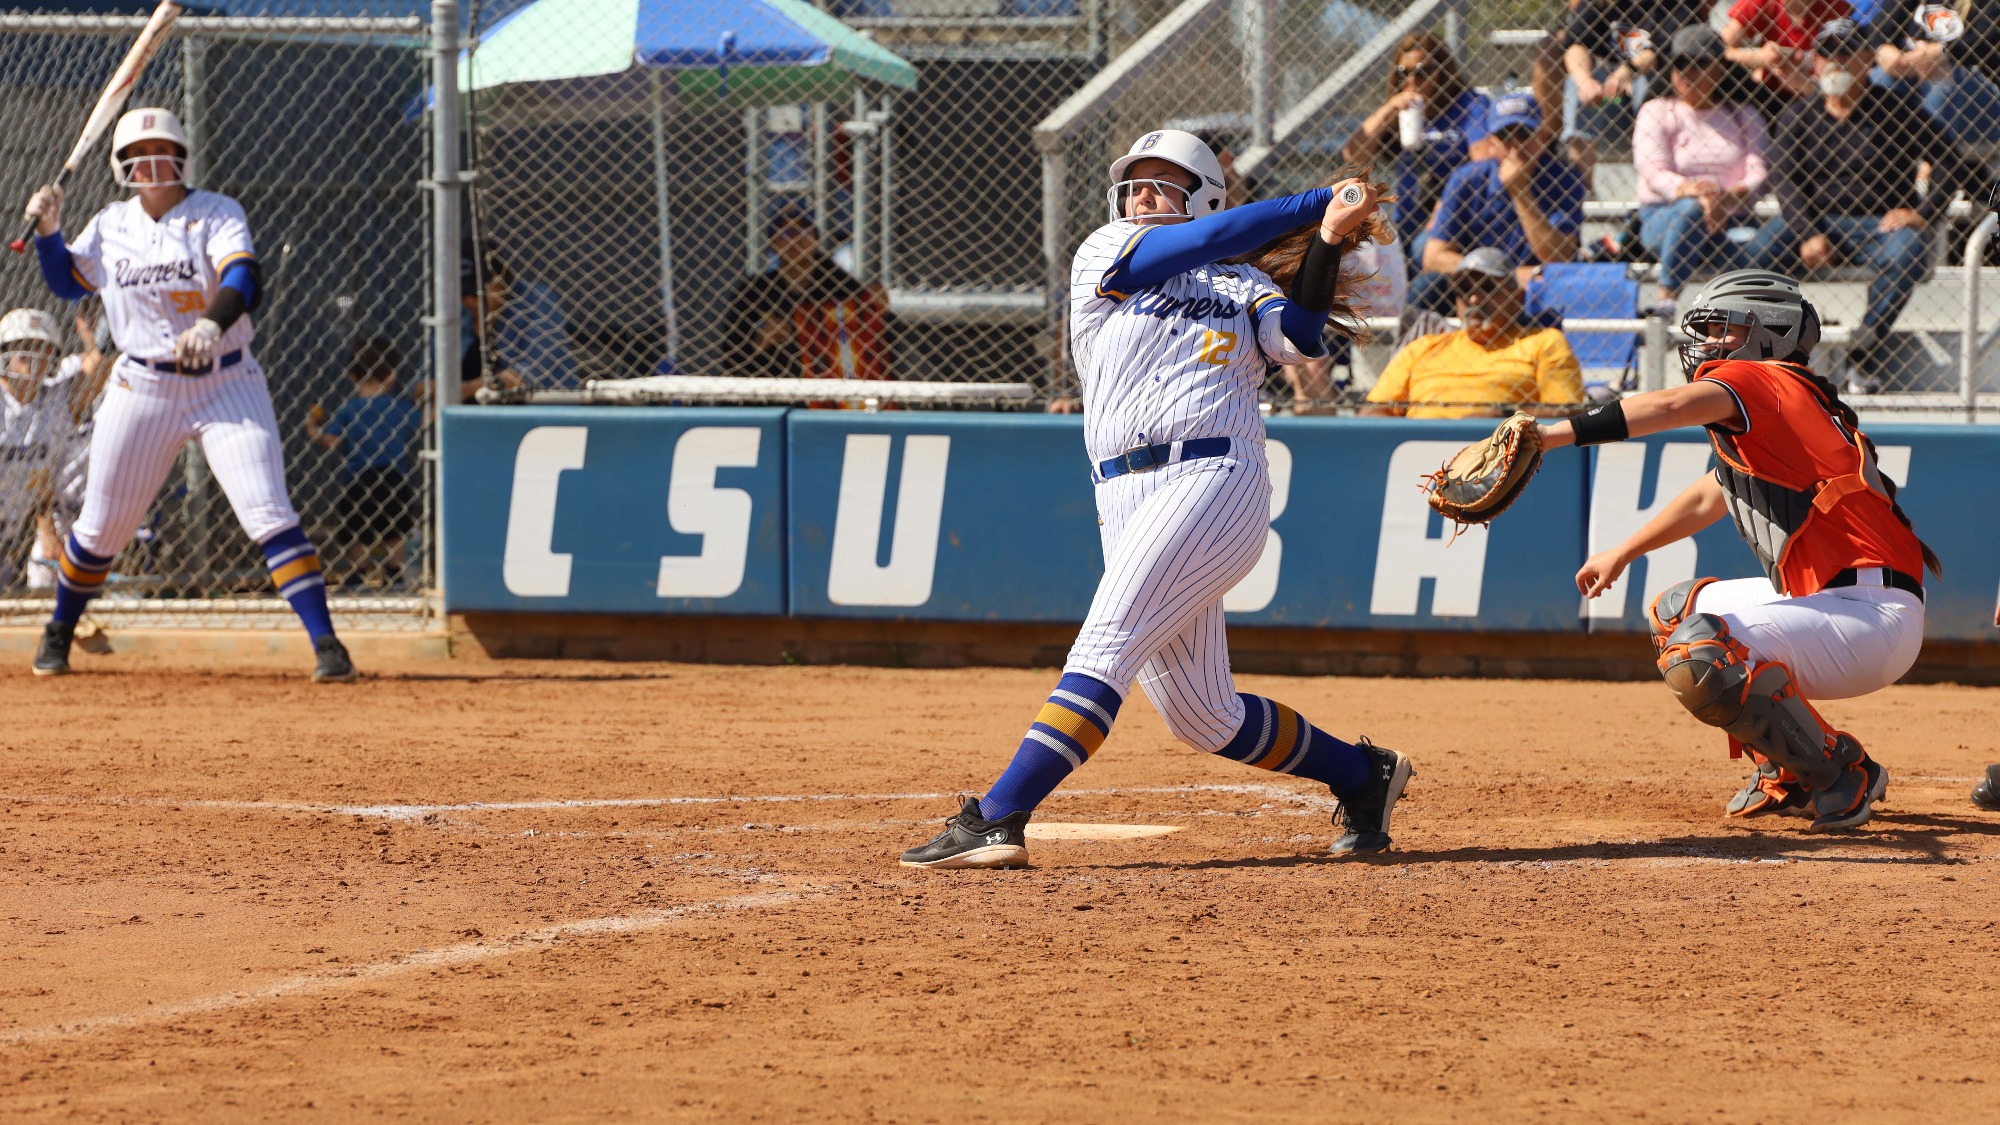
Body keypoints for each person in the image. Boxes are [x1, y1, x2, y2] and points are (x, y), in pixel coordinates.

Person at [898, 130, 1414, 868]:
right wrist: (1309, 201)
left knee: (1104, 642)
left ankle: (998, 814)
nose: (1142, 193)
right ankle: (1366, 775)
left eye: (1162, 182)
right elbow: (1205, 239)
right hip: (1124, 492)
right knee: (1204, 715)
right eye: (1135, 182)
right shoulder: (1105, 251)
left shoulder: (1241, 285)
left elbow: (1300, 339)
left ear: (1201, 194)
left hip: (1215, 478)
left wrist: (1326, 237)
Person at [1543, 270, 1934, 830]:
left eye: (1724, 328)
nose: (1708, 343)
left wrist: (1550, 434)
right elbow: (1712, 494)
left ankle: (1840, 771)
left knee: (1699, 651)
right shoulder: (1782, 404)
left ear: (1769, 333)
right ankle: (1789, 769)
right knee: (1677, 610)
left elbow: (1672, 405)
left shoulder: (1765, 377)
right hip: (1843, 604)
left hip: (1869, 616)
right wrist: (1625, 551)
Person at [21, 107, 356, 681]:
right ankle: (59, 631)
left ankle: (327, 645)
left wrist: (211, 324)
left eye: (162, 149)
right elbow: (65, 281)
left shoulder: (216, 212)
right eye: (137, 153)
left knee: (268, 510)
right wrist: (50, 234)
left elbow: (243, 278)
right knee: (102, 527)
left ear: (182, 156)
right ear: (120, 163)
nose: (150, 162)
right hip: (142, 384)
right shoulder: (109, 223)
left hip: (226, 380)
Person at [1748, 17, 1976, 392]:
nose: (1835, 61)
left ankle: (1862, 354)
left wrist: (1922, 213)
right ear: (1816, 63)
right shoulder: (1798, 114)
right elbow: (1784, 180)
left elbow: (1950, 160)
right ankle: (1772, 353)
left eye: (1846, 52)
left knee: (1908, 252)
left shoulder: (1894, 110)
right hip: (1814, 222)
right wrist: (1808, 233)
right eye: (1827, 53)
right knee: (1756, 253)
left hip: (1877, 224)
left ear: (1867, 58)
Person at [1634, 24, 1771, 315]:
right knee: (1692, 212)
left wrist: (1728, 198)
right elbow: (1652, 170)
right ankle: (1666, 300)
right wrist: (1696, 193)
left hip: (1733, 219)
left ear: (1719, 69)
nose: (1686, 73)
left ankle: (1740, 328)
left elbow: (1759, 169)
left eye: (1696, 64)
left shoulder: (1743, 114)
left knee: (1759, 245)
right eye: (1679, 65)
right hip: (1666, 216)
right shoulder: (1656, 110)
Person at [1410, 92, 1589, 314]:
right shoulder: (1468, 178)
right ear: (1492, 144)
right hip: (1477, 287)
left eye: (1524, 134)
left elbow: (1559, 256)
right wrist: (1501, 276)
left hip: (1532, 289)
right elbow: (1433, 257)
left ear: (1542, 138)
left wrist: (1520, 191)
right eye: (1505, 135)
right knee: (1426, 287)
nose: (1515, 146)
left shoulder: (1564, 179)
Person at [1362, 248, 1584, 418]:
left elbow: (1565, 413)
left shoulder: (1544, 342)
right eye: (1465, 289)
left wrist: (1502, 419)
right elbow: (1372, 413)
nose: (1475, 299)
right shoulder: (1422, 347)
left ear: (1515, 298)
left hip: (1501, 455)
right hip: (1419, 454)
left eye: (1488, 287)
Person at [1342, 31, 1489, 272]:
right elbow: (1353, 155)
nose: (1413, 80)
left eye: (1423, 71)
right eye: (1404, 72)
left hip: (1455, 213)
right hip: (1408, 214)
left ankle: (1412, 307)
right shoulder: (1401, 110)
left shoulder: (1468, 105)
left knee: (1421, 252)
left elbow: (1485, 162)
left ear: (1442, 72)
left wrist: (1449, 202)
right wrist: (1389, 108)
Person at [722, 203, 889, 382]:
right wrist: (760, 342)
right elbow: (730, 357)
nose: (794, 240)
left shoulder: (841, 286)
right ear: (771, 243)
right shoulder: (753, 293)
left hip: (832, 387)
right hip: (774, 388)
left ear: (816, 239)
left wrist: (880, 310)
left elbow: (880, 337)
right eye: (785, 234)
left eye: (802, 232)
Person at [305, 338, 423, 589]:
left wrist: (312, 428)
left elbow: (332, 441)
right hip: (393, 475)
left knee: (357, 528)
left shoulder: (350, 409)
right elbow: (422, 422)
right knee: (395, 528)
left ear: (352, 376)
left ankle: (359, 572)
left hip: (358, 477)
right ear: (392, 377)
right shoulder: (399, 407)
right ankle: (394, 572)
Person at [1561, 0, 1708, 182]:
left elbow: (1659, 53)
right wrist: (1586, 83)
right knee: (1576, 84)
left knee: (1648, 80)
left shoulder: (1679, 5)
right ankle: (1582, 188)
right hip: (1607, 94)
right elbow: (1575, 44)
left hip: (1648, 83)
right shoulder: (1600, 3)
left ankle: (1652, 182)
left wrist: (1626, 73)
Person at [24, 311, 111, 595]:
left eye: (103, 313)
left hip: (113, 516)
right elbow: (40, 465)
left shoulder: (137, 372)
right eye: (88, 313)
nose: (92, 323)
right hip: (61, 514)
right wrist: (48, 532)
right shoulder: (65, 372)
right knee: (40, 577)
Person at [0, 309, 71, 589]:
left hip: (11, 538)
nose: (35, 357)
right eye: (24, 348)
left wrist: (47, 530)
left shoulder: (51, 406)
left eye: (43, 349)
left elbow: (40, 481)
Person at [1874, 2, 2000, 144]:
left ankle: (1936, 156)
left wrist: (1941, 52)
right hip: (1910, 71)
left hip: (1969, 83)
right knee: (1880, 76)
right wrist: (1882, 48)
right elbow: (1879, 28)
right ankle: (1888, 152)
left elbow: (1988, 39)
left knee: (1942, 77)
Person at [460, 249, 577, 402]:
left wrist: (461, 390)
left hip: (539, 410)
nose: (469, 301)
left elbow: (530, 373)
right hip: (473, 411)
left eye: (477, 293)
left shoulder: (536, 299)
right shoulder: (457, 313)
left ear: (501, 281)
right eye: (463, 294)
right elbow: (423, 381)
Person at [1723, 0, 1857, 109]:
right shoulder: (1765, 3)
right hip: (1771, 93)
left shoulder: (1833, 6)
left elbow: (1852, 63)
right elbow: (1720, 48)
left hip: (1818, 97)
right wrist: (1761, 57)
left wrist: (1807, 84)